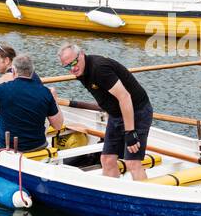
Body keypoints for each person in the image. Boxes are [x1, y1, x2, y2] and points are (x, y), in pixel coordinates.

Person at [58, 43, 152, 180]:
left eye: (74, 62)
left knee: (132, 162)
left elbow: (125, 97)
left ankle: (145, 200)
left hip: (137, 112)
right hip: (116, 115)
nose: (72, 68)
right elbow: (105, 96)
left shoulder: (99, 69)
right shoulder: (80, 70)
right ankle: (114, 196)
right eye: (67, 66)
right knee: (107, 160)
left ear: (82, 54)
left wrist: (130, 132)